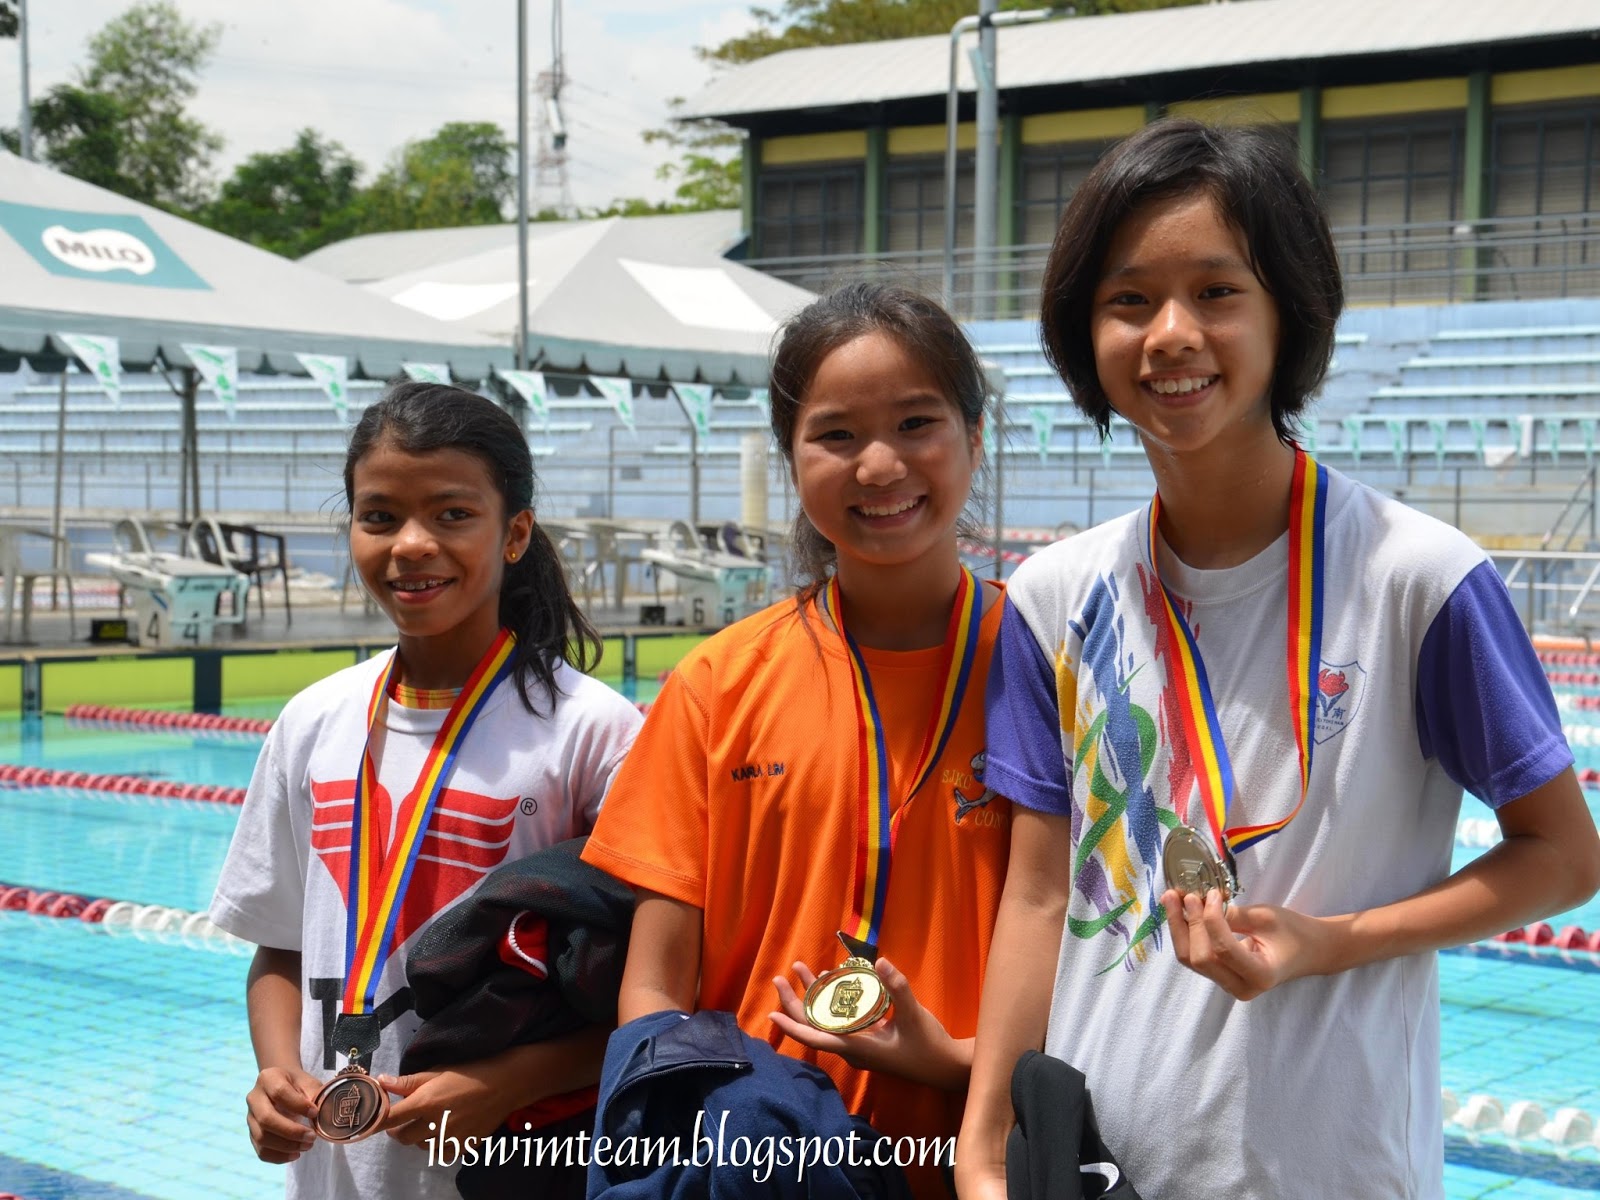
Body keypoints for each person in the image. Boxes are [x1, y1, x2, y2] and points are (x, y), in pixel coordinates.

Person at [955, 119, 1600, 1200]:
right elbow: (1035, 897)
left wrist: (1327, 942)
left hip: (1334, 1169)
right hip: (1100, 1167)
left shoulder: (1418, 580)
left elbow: (1565, 858)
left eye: (1216, 292)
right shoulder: (1050, 598)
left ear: (1286, 312)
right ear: (1082, 332)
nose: (1171, 334)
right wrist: (982, 1148)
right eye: (1128, 300)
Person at [581, 282, 1010, 1196]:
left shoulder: (1051, 671)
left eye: (916, 423)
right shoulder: (718, 685)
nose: (879, 466)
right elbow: (654, 987)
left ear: (975, 437)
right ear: (792, 458)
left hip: (984, 1163)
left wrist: (955, 1060)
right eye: (837, 435)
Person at [209, 382, 642, 1200]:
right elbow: (281, 943)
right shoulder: (314, 721)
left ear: (515, 534)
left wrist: (506, 1083)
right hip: (333, 1173)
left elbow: (659, 993)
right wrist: (275, 1070)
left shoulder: (592, 733)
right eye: (379, 516)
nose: (411, 544)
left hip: (507, 1168)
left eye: (452, 514)